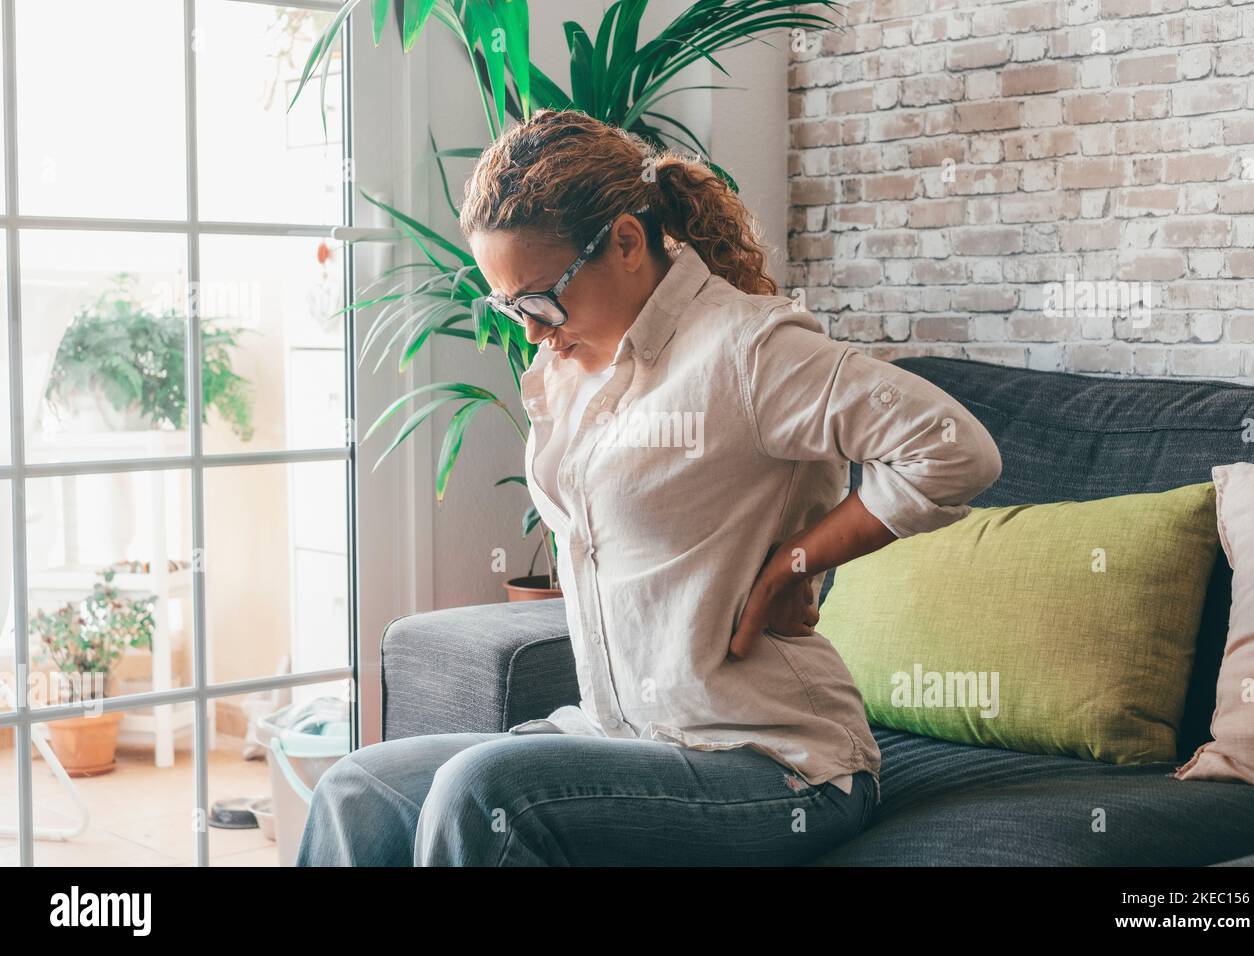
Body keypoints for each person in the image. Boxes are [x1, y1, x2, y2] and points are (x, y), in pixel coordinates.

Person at [297, 109, 1002, 866]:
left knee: (485, 789)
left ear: (627, 243)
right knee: (358, 787)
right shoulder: (573, 369)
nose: (530, 330)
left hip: (773, 761)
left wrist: (797, 559)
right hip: (617, 735)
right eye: (510, 307)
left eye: (539, 298)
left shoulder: (747, 349)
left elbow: (952, 447)